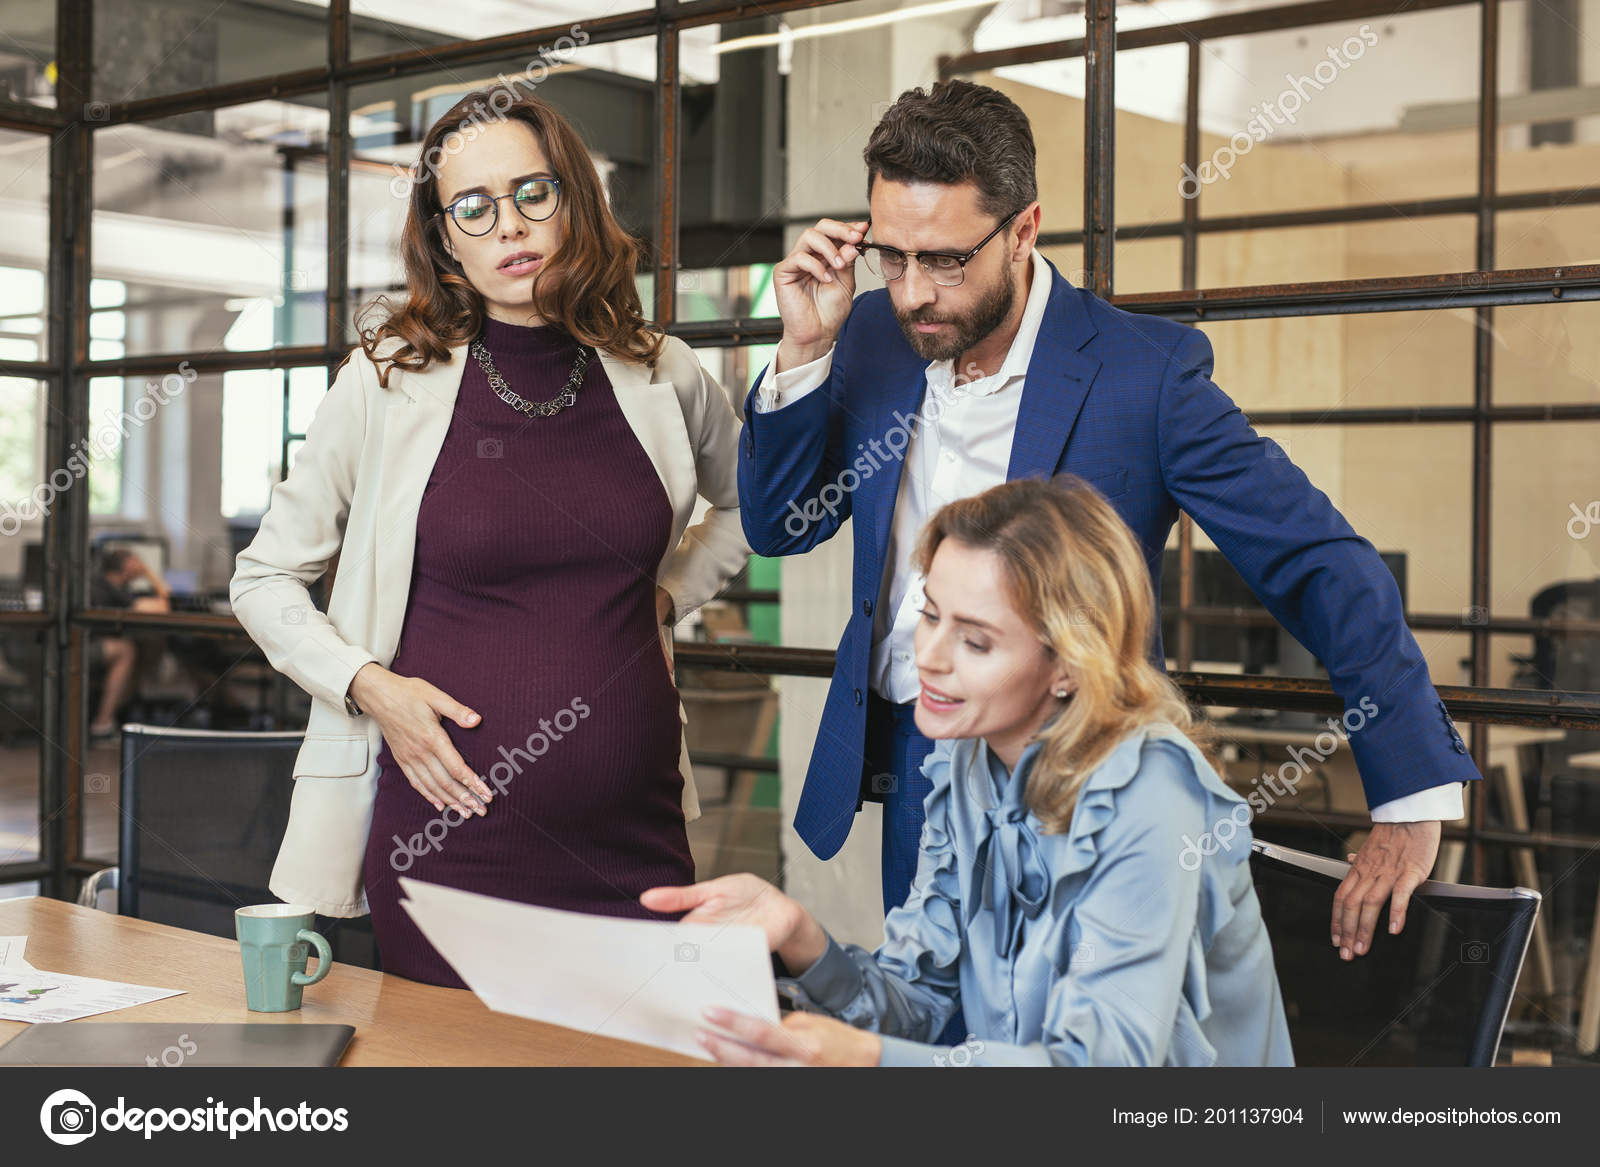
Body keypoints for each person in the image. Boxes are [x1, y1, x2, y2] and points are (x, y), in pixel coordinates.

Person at [735, 78, 1479, 962]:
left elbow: (1316, 559)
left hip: (1082, 783)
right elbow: (779, 525)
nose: (912, 293)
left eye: (945, 261)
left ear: (1023, 230)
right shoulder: (865, 334)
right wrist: (803, 349)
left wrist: (1410, 788)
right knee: (935, 1013)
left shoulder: (1145, 374)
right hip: (915, 760)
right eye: (890, 257)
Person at [230, 87, 749, 986]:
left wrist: (667, 596)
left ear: (574, 202)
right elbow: (263, 577)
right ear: (446, 241)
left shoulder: (661, 368)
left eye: (533, 193)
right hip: (451, 842)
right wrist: (371, 686)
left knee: (639, 1074)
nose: (509, 225)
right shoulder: (385, 379)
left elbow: (752, 505)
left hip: (636, 836)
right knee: (460, 1078)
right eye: (473, 207)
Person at [644, 476, 1294, 1066]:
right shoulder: (967, 761)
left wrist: (869, 1058)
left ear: (1070, 664)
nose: (927, 655)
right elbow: (918, 997)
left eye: (975, 640)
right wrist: (800, 935)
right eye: (929, 615)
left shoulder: (1152, 794)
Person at [89, 548, 172, 741]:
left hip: (93, 644)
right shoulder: (108, 587)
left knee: (144, 649)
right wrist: (149, 573)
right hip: (84, 647)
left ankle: (109, 716)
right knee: (127, 651)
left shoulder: (114, 586)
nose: (140, 564)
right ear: (126, 565)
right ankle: (102, 723)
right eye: (136, 561)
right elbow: (164, 604)